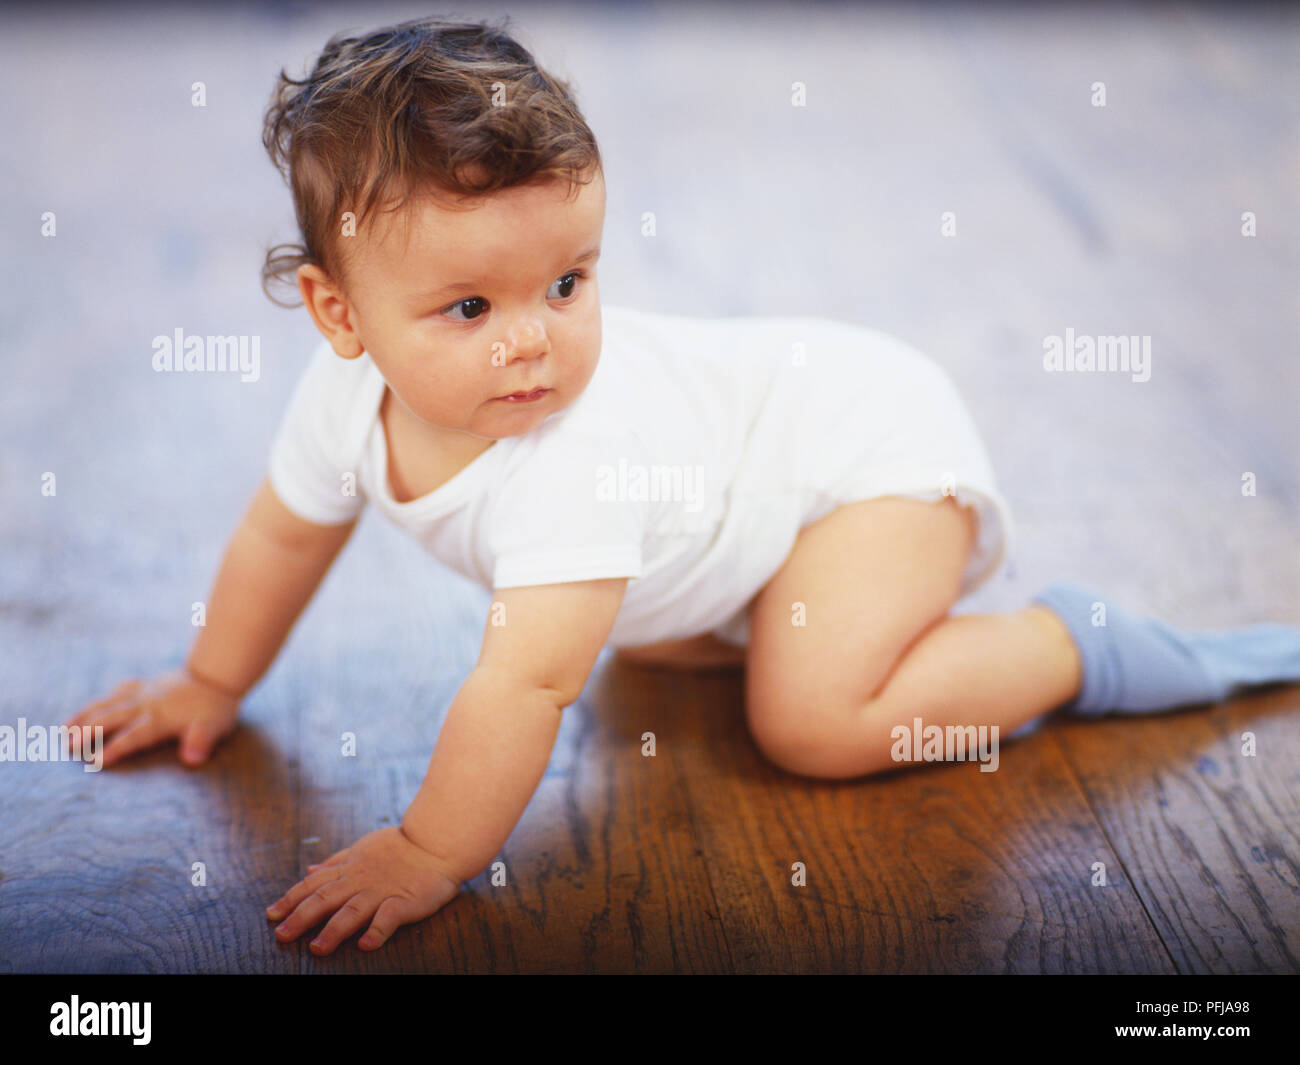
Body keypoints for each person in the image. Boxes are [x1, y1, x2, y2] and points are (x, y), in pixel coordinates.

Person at [66, 15, 1300, 956]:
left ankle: (1065, 645)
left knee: (809, 722)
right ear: (341, 318)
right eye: (468, 307)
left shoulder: (577, 457)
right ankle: (748, 599)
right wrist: (210, 677)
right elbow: (281, 539)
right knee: (650, 656)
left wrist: (428, 849)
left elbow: (530, 678)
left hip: (865, 464)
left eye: (568, 282)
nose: (532, 339)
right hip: (752, 497)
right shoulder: (341, 405)